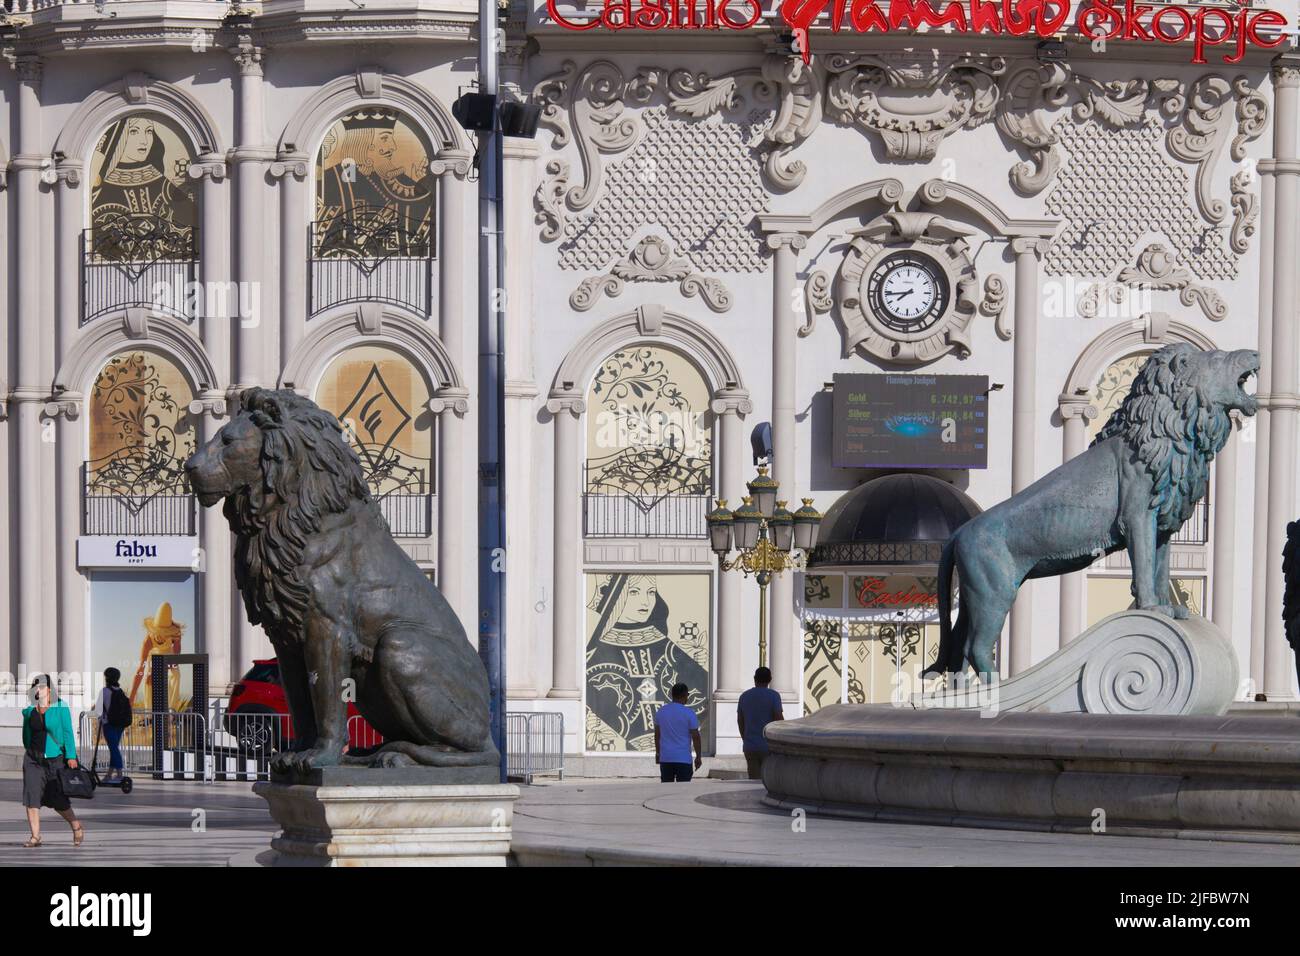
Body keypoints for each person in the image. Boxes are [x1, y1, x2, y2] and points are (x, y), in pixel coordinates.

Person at [21, 675, 85, 848]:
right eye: (35, 687)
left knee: (56, 799)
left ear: (49, 689)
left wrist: (71, 756)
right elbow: (27, 735)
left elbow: (67, 732)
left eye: (41, 687)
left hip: (54, 759)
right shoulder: (30, 710)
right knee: (31, 797)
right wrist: (29, 751)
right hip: (33, 759)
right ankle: (35, 836)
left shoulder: (60, 707)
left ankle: (75, 825)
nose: (37, 690)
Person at [737, 667, 784, 781]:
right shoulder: (774, 696)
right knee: (769, 780)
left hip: (750, 745)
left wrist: (745, 738)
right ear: (770, 679)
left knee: (754, 780)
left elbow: (740, 720)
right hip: (769, 746)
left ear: (754, 679)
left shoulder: (744, 696)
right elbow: (778, 719)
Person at [654, 683, 703, 783]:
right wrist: (698, 757)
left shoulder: (661, 711)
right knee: (683, 791)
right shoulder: (689, 713)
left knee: (666, 791)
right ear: (685, 695)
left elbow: (657, 735)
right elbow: (696, 736)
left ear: (672, 695)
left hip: (666, 758)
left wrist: (658, 753)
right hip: (683, 759)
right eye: (687, 695)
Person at [97, 667, 130, 783]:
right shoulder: (120, 691)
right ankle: (109, 775)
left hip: (109, 724)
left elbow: (98, 710)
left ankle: (120, 774)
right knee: (114, 748)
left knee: (114, 749)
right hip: (120, 725)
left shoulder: (105, 691)